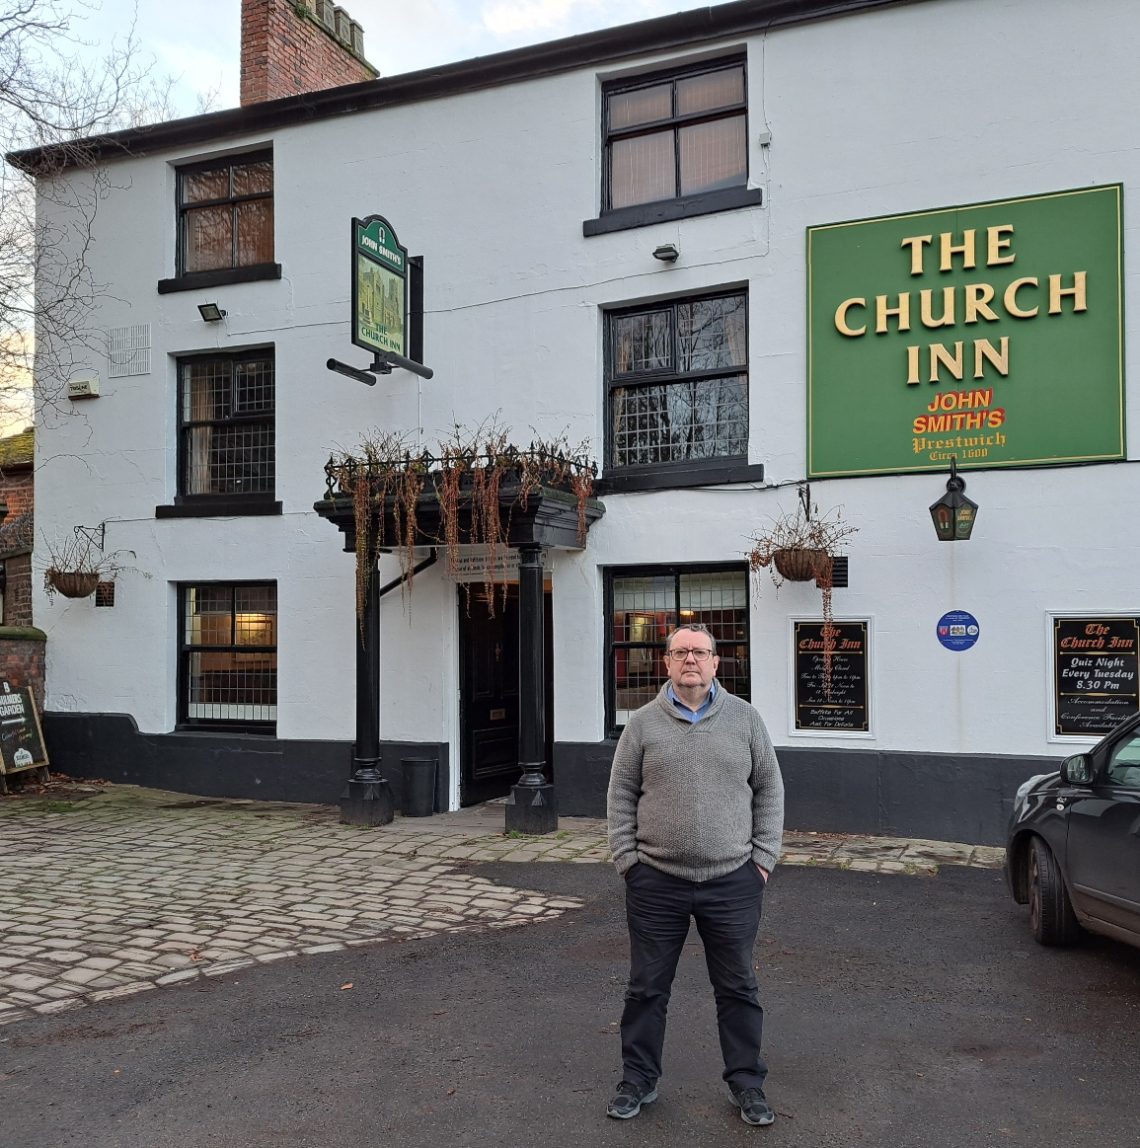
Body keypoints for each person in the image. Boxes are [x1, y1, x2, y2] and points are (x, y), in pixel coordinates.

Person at [606, 622, 785, 1127]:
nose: (691, 660)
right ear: (666, 662)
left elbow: (769, 789)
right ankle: (637, 1080)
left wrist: (762, 861)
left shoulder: (746, 720)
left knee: (738, 988)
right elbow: (620, 794)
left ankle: (747, 1083)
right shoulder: (641, 724)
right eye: (680, 652)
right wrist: (628, 861)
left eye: (700, 652)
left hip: (732, 880)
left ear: (715, 663)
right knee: (646, 987)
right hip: (656, 881)